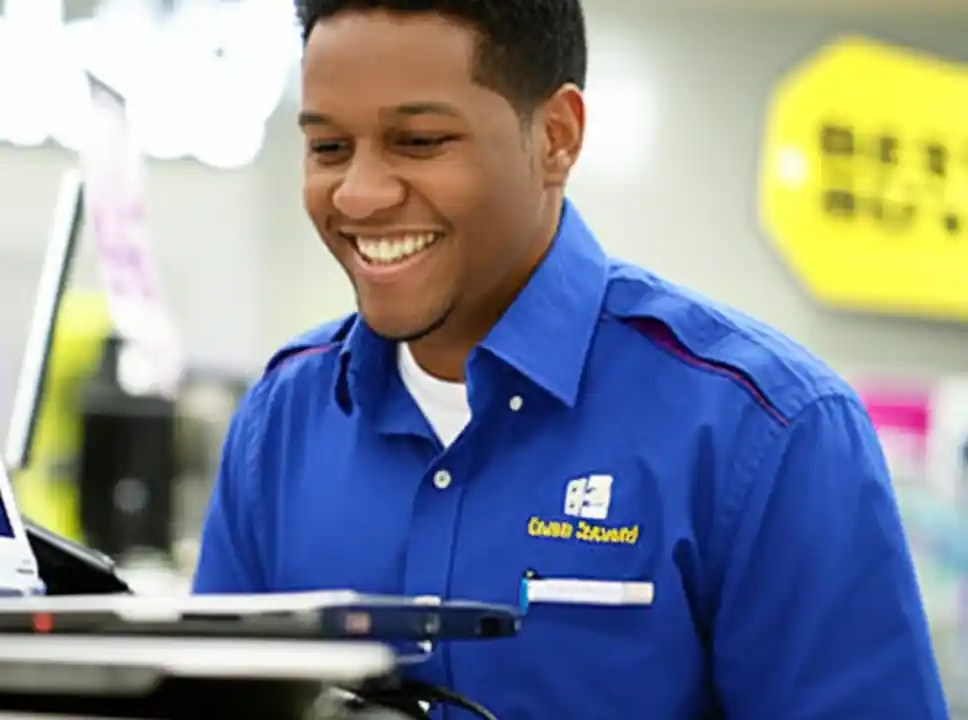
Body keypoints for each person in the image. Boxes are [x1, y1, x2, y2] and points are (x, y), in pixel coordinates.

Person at [192, 1, 950, 718]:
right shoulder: (281, 423)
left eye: (419, 142)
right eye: (328, 148)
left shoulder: (766, 433)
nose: (357, 195)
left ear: (556, 136)